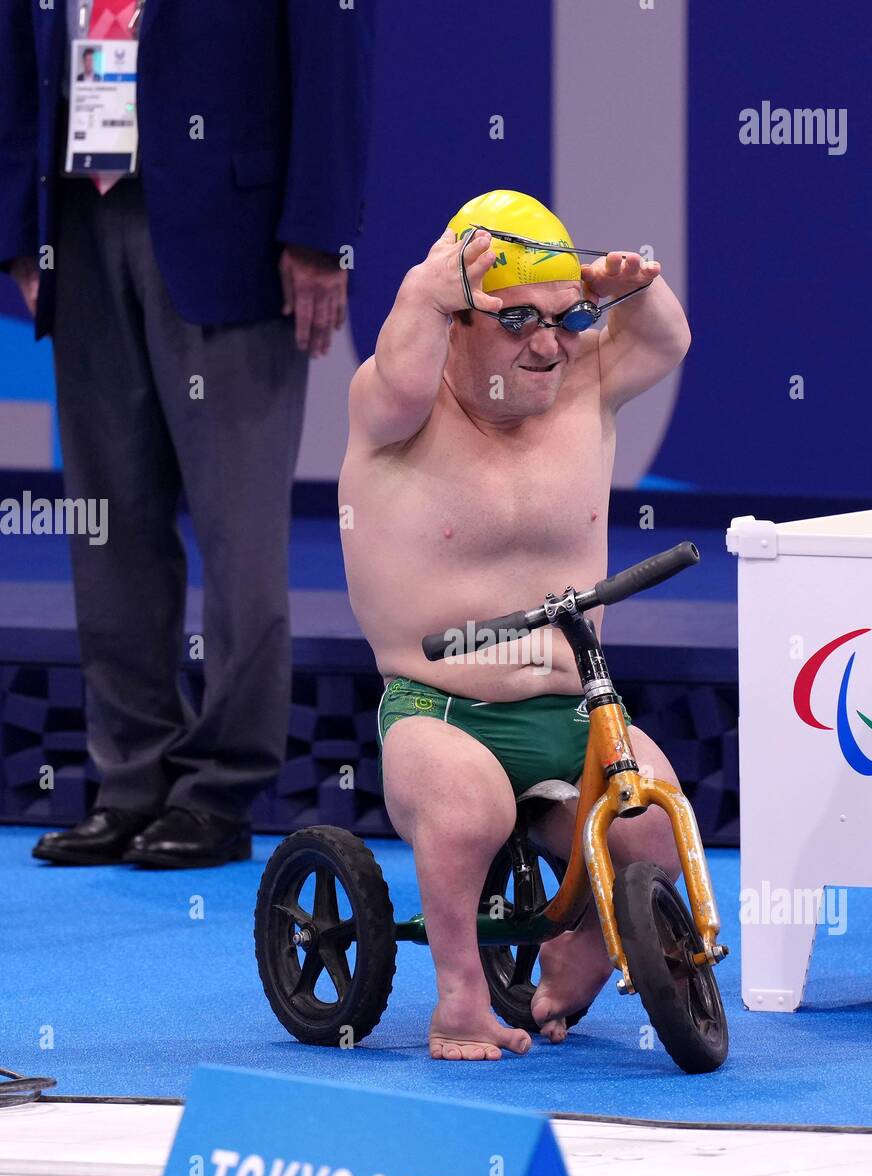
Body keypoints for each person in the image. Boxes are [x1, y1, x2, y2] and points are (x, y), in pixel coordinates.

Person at [0, 0, 374, 868]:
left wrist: (319, 234)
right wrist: (21, 232)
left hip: (234, 234)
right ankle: (130, 782)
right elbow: (19, 55)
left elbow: (335, 54)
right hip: (79, 222)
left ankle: (220, 790)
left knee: (237, 539)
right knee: (109, 529)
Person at [340, 189, 692, 1060]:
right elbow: (398, 367)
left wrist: (619, 284)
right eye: (516, 321)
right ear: (455, 322)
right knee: (466, 809)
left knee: (652, 813)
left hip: (572, 708)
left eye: (564, 317)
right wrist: (427, 287)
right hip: (441, 709)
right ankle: (459, 995)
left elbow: (665, 339)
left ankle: (576, 959)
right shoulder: (400, 409)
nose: (546, 345)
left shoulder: (584, 381)